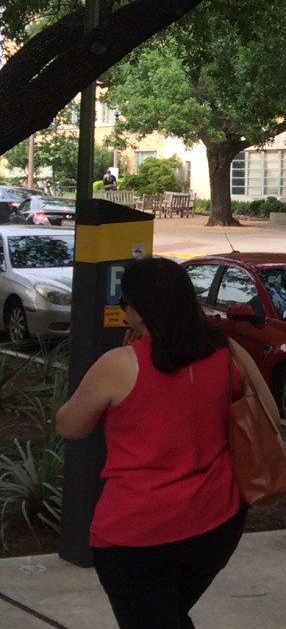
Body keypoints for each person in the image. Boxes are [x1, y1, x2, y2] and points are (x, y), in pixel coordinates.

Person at [56, 257, 275, 629]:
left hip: (136, 537)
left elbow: (69, 426)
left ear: (140, 311)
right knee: (169, 617)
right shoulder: (228, 353)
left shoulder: (120, 364)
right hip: (216, 524)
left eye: (125, 305)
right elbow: (270, 414)